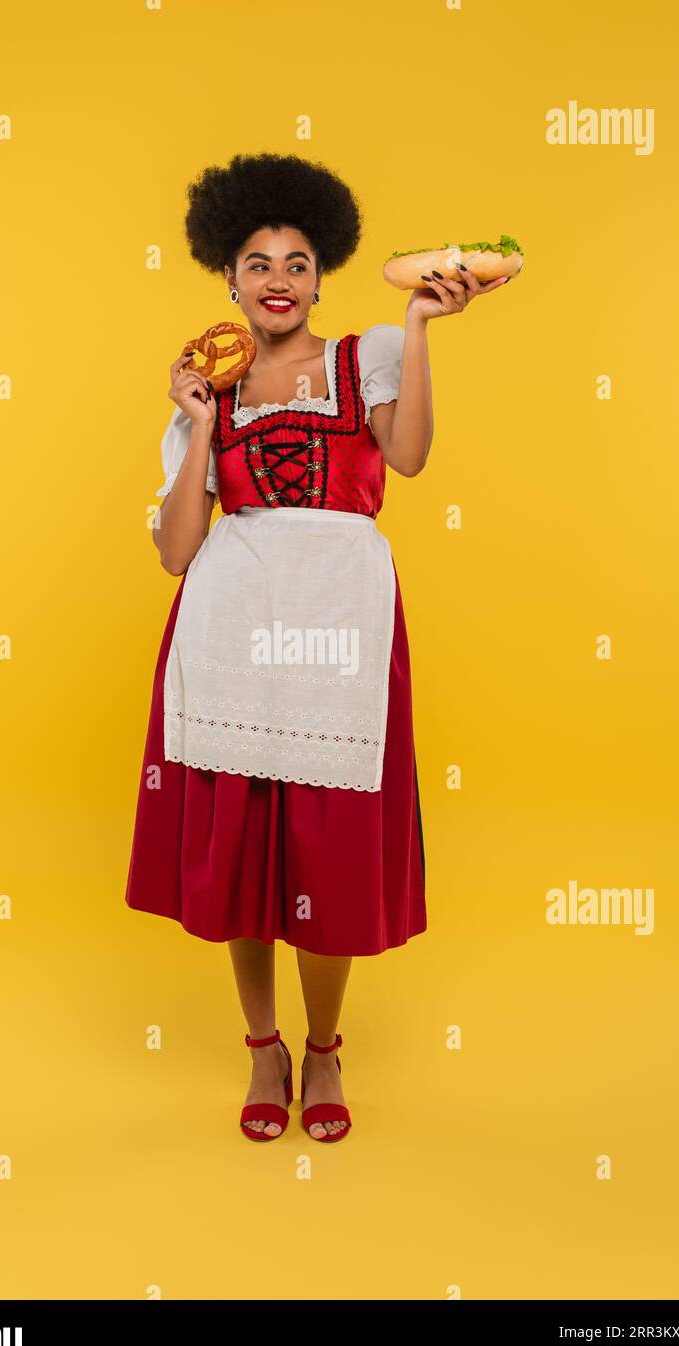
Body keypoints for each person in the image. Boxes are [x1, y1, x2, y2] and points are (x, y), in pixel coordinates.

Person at [125, 152, 510, 1142]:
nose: (279, 279)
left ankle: (326, 1047)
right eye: (258, 262)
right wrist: (198, 427)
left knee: (325, 844)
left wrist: (422, 327)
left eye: (297, 261)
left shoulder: (366, 354)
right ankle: (264, 1044)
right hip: (230, 626)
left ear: (321, 275)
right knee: (246, 839)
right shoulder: (208, 389)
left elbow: (411, 456)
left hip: (339, 623)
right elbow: (176, 551)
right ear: (229, 278)